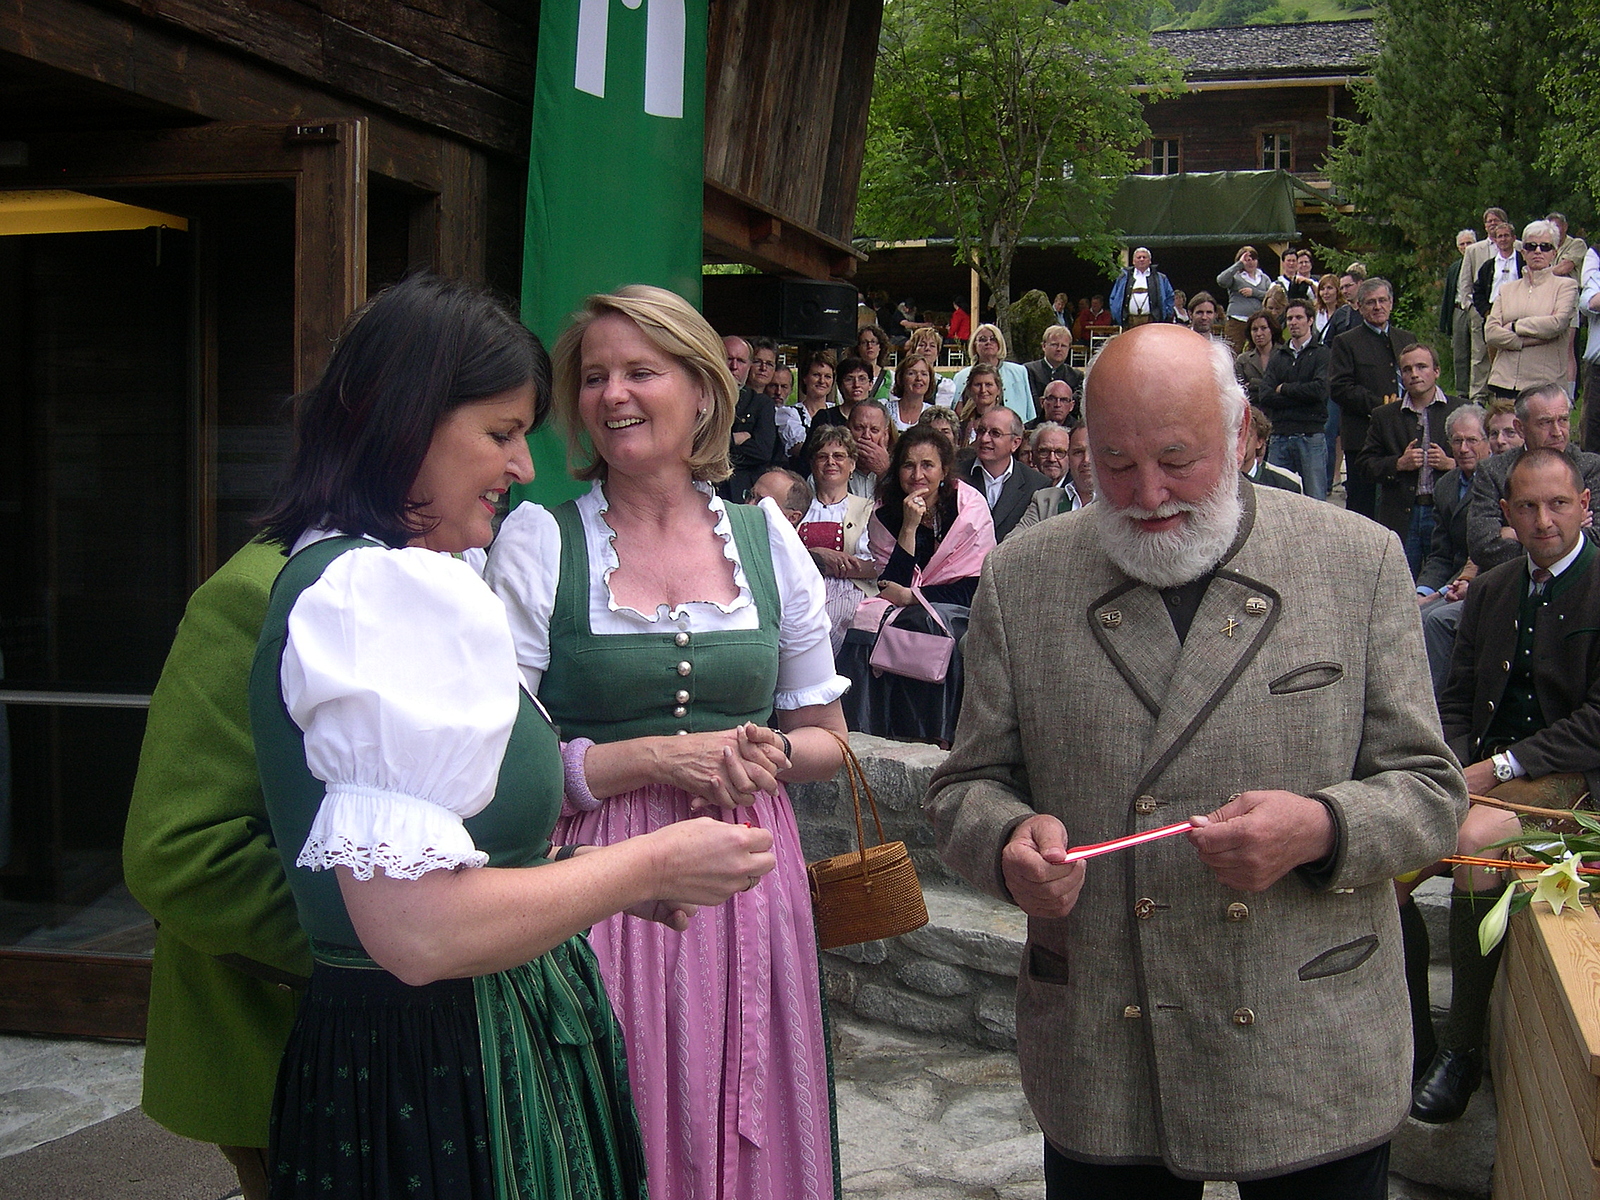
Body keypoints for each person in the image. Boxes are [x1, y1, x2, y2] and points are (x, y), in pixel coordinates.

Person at [249, 275, 778, 1200]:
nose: (524, 466)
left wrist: (574, 886)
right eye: (499, 434)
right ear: (399, 420)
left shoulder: (358, 576)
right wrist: (642, 868)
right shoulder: (380, 595)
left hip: (426, 1051)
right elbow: (415, 930)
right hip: (447, 1067)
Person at [923, 322, 1465, 1196]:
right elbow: (965, 787)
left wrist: (1322, 827)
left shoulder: (1355, 561)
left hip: (1308, 1032)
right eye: (1116, 461)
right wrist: (1010, 841)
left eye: (1179, 458)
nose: (1146, 493)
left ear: (1245, 430)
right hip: (1108, 1036)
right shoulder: (1024, 579)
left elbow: (1431, 790)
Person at [485, 285, 848, 1200]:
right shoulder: (540, 544)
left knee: (750, 1120)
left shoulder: (768, 540)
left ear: (703, 392)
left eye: (641, 371)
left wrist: (766, 753)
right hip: (597, 884)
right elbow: (499, 762)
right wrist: (648, 761)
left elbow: (825, 740)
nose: (613, 395)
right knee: (620, 1118)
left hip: (747, 883)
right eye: (595, 376)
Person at [1412, 448, 1600, 1124]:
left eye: (1556, 503)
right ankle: (1416, 1046)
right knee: (1387, 864)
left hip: (1574, 787)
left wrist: (1499, 768)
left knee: (1472, 843)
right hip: (1479, 777)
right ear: (1508, 514)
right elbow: (1457, 698)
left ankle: (1463, 1051)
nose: (1542, 519)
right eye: (1526, 506)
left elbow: (1598, 722)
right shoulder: (1492, 589)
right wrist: (1454, 766)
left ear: (1585, 504)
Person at [123, 540, 304, 1200]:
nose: (518, 464)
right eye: (498, 432)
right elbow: (183, 855)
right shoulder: (258, 591)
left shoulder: (452, 568)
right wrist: (405, 942)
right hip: (285, 1055)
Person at [837, 425, 995, 745]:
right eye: (909, 465)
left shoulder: (969, 507)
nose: (917, 474)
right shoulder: (885, 513)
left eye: (928, 465)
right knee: (862, 626)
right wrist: (908, 527)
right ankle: (868, 727)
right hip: (903, 603)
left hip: (960, 607)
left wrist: (914, 597)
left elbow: (976, 584)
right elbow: (890, 583)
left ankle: (935, 734)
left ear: (944, 471)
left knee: (924, 622)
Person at [1465, 384, 1600, 573]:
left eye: (1563, 420)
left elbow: (1598, 539)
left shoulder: (1591, 467)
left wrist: (1519, 533)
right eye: (1545, 423)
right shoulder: (1493, 471)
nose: (1557, 432)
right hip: (1511, 584)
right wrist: (1571, 530)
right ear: (1520, 428)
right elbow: (1482, 546)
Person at [1357, 343, 1464, 574]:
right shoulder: (1384, 416)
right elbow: (1364, 465)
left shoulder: (1461, 410)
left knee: (1444, 579)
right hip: (1403, 514)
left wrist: (1452, 465)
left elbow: (1483, 460)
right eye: (1407, 369)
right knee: (1400, 579)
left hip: (1444, 512)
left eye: (1421, 367)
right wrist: (1397, 464)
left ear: (1436, 371)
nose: (1414, 374)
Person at [1329, 277, 1417, 521]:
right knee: (1362, 508)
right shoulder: (1346, 342)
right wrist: (1380, 406)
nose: (1377, 307)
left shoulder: (1406, 339)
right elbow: (1339, 388)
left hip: (1403, 434)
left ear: (1391, 303)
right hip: (1363, 438)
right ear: (1359, 306)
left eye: (1382, 301)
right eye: (1370, 302)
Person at [1417, 405, 1490, 693]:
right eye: (1457, 441)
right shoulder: (1445, 485)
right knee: (1410, 611)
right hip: (1451, 581)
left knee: (1433, 620)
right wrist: (1421, 592)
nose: (1463, 448)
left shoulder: (1498, 480)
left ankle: (1436, 702)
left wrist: (1443, 591)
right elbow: (1440, 554)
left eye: (1472, 440)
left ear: (1487, 442)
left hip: (1478, 580)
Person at [798, 425, 880, 650]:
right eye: (822, 456)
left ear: (852, 464)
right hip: (800, 588)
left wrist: (842, 567)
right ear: (813, 464)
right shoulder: (798, 508)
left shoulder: (867, 509)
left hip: (850, 590)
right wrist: (818, 556)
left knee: (828, 621)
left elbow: (877, 566)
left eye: (839, 456)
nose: (830, 462)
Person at [1484, 219, 1579, 398]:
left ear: (1554, 252)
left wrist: (1514, 326)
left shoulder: (1566, 287)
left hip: (1543, 383)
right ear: (1523, 251)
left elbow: (1556, 324)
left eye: (1545, 247)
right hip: (1504, 380)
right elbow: (1490, 333)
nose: (1537, 251)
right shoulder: (1507, 289)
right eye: (1531, 246)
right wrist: (1524, 341)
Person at [1257, 298, 1330, 500]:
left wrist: (1284, 388)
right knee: (1275, 498)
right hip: (1280, 434)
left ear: (1310, 320)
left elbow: (1319, 391)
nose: (1293, 322)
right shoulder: (1278, 355)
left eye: (1298, 317)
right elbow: (1266, 395)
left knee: (1316, 498)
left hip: (1310, 434)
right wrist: (1300, 395)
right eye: (1289, 318)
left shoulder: (1322, 354)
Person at [964, 406, 1050, 542]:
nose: (984, 439)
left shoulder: (1036, 484)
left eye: (995, 433)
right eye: (981, 431)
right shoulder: (957, 475)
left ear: (1015, 443)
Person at [721, 334, 778, 502]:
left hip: (741, 492)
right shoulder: (699, 398)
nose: (733, 366)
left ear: (748, 366)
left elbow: (762, 452)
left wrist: (717, 451)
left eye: (741, 361)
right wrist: (733, 439)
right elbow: (694, 444)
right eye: (728, 359)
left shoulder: (761, 404)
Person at [951, 323, 1036, 421]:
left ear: (1000, 343)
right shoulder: (960, 376)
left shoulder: (1019, 371)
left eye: (993, 339)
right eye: (982, 339)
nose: (988, 342)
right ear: (974, 345)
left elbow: (1030, 411)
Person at [774, 349, 845, 458]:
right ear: (805, 378)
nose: (822, 381)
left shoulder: (837, 410)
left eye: (827, 376)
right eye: (816, 375)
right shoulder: (790, 414)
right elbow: (801, 451)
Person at [1015, 422, 1083, 530]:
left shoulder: (1081, 490)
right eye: (1044, 451)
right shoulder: (1019, 488)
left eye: (1060, 452)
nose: (1052, 459)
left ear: (1069, 455)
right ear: (1033, 455)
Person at [1443, 229, 1478, 392]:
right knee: (1460, 353)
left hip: (1477, 309)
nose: (1465, 247)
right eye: (1462, 244)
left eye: (1469, 243)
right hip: (1459, 310)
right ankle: (1462, 391)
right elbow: (1448, 296)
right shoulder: (1455, 267)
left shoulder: (1482, 262)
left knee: (1478, 353)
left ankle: (1479, 390)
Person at [1216, 245, 1271, 351]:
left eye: (1253, 259)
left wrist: (1254, 292)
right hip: (1237, 322)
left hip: (1258, 323)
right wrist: (1239, 264)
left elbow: (1271, 297)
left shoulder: (1264, 278)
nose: (1250, 262)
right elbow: (1221, 280)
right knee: (1234, 351)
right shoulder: (1235, 277)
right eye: (1247, 259)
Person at [1239, 405, 1303, 493]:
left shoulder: (1286, 485)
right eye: (1233, 433)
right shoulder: (1215, 483)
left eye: (1246, 435)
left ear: (1259, 442)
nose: (1238, 441)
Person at [1108, 247, 1175, 328]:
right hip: (1129, 322)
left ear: (1150, 261)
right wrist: (1116, 315)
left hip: (1152, 322)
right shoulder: (1124, 278)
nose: (1141, 259)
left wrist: (1166, 315)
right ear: (1133, 261)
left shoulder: (1160, 278)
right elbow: (1114, 298)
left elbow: (1170, 297)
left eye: (1144, 257)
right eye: (1139, 257)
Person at [847, 397, 895, 497]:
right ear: (847, 430)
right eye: (859, 428)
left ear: (885, 435)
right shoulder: (832, 464)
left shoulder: (899, 468)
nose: (866, 436)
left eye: (874, 430)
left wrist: (885, 472)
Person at [1024, 325, 1083, 403]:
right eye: (1054, 345)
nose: (1059, 349)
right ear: (1044, 346)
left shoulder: (1076, 376)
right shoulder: (1028, 371)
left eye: (1063, 346)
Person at [1232, 310, 1278, 404]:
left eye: (1263, 328)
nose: (1259, 333)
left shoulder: (1284, 355)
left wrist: (1254, 383)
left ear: (1272, 330)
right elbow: (1240, 392)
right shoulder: (1243, 360)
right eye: (1254, 329)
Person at [891, 352, 939, 430]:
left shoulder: (934, 415)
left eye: (924, 374)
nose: (919, 378)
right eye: (911, 373)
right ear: (901, 378)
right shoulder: (886, 411)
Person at [855, 323, 895, 400]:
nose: (869, 346)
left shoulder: (891, 377)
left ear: (880, 346)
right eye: (864, 342)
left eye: (873, 342)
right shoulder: (850, 376)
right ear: (857, 347)